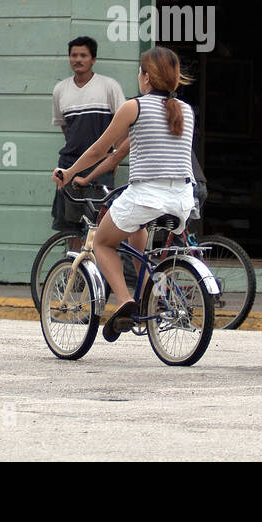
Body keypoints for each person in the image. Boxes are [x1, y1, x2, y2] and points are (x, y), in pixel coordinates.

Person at [53, 46, 195, 341]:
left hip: (146, 196)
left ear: (145, 77)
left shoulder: (135, 106)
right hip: (181, 199)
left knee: (103, 244)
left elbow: (99, 149)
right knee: (136, 235)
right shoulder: (186, 111)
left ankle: (125, 301)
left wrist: (69, 173)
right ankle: (145, 295)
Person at [50, 36, 125, 234]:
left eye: (83, 55)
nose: (78, 59)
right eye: (74, 55)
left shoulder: (109, 87)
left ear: (93, 59)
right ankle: (73, 263)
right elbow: (65, 127)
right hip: (69, 165)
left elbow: (122, 125)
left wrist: (115, 156)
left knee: (99, 225)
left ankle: (97, 264)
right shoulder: (60, 90)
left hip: (100, 166)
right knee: (70, 226)